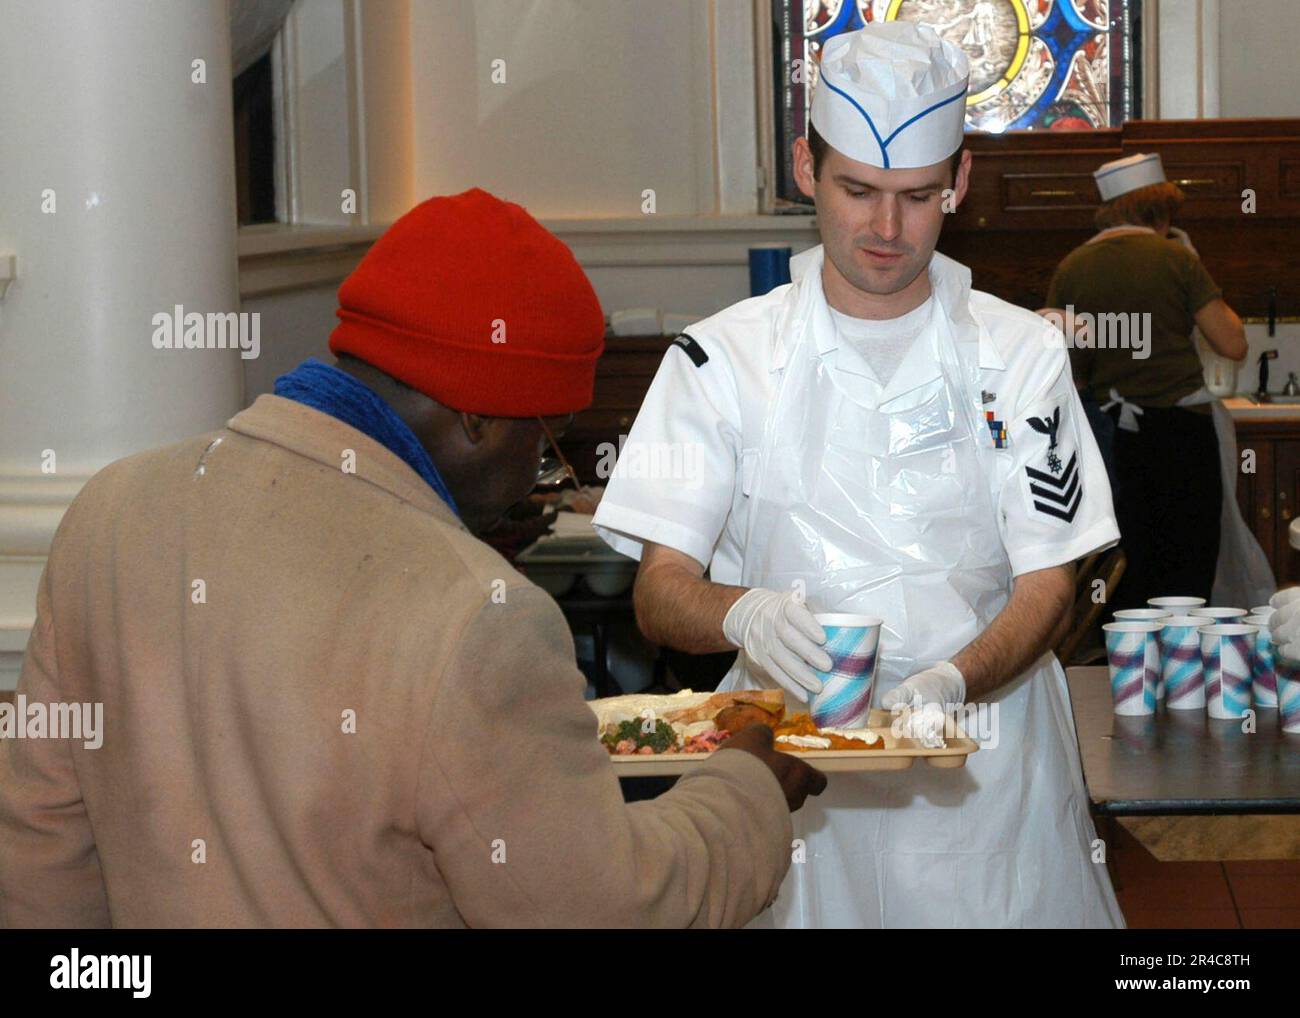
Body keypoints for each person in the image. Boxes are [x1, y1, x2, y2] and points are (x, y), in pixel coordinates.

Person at [0, 188, 825, 929]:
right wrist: (748, 789)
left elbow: (41, 853)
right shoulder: (475, 617)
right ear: (478, 421)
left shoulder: (113, 511)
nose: (541, 478)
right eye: (545, 445)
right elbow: (599, 907)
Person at [592, 21, 1124, 928]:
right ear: (806, 167)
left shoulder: (1020, 353)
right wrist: (741, 610)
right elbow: (659, 591)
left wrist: (954, 683)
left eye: (917, 197)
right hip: (790, 776)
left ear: (958, 182)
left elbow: (1052, 578)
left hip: (988, 774)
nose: (886, 228)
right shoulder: (719, 360)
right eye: (858, 191)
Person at [1044, 153, 1252, 610]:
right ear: (1160, 211)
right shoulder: (1176, 259)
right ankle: (1183, 666)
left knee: (1125, 565)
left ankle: (1125, 668)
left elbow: (1062, 359)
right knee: (1186, 562)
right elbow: (1232, 343)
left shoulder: (1073, 266)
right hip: (1180, 436)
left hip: (1107, 439)